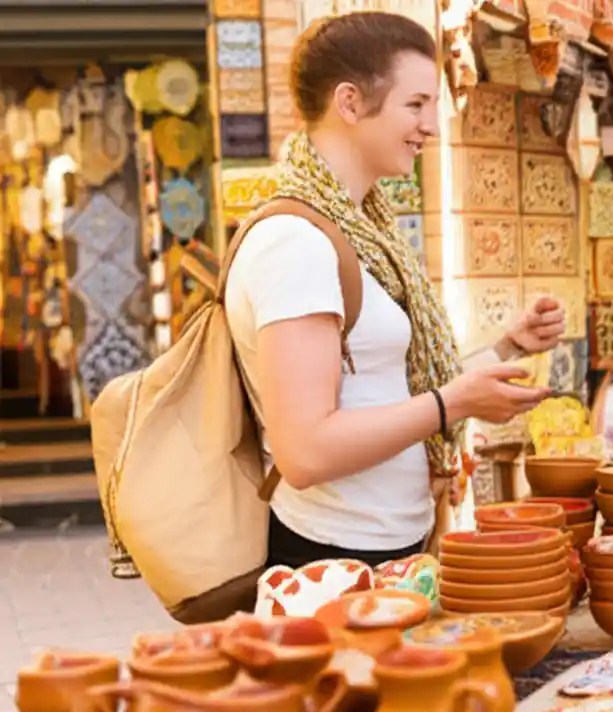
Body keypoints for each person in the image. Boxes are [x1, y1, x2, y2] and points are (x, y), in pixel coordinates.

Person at [223, 12, 564, 570]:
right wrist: (451, 404)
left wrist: (509, 346)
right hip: (332, 557)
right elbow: (305, 450)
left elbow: (386, 392)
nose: (431, 125)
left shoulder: (365, 229)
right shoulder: (296, 243)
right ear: (351, 103)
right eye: (415, 104)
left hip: (390, 545)